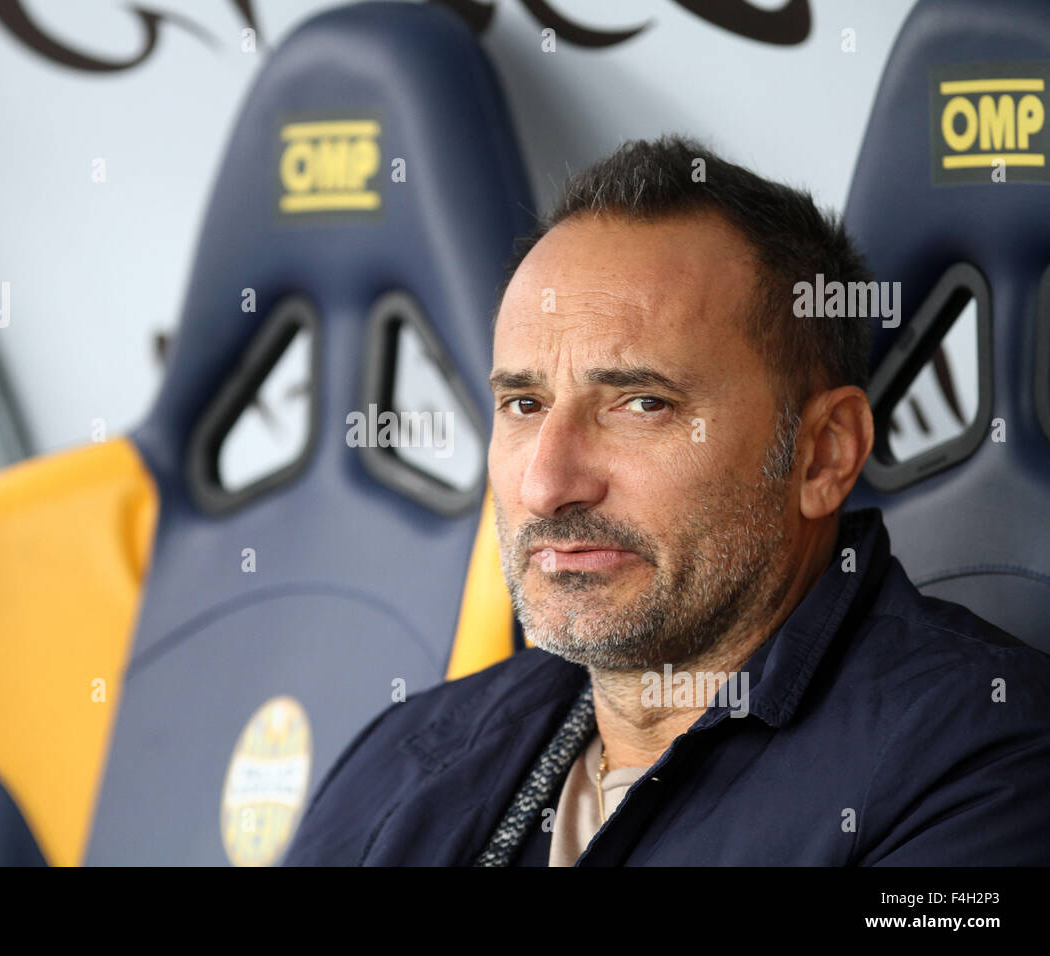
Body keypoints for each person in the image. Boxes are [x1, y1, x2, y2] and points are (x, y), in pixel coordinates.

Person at [281, 135, 1050, 866]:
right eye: (523, 404)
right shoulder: (411, 752)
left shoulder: (989, 764)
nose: (548, 485)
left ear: (823, 453)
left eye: (642, 404)